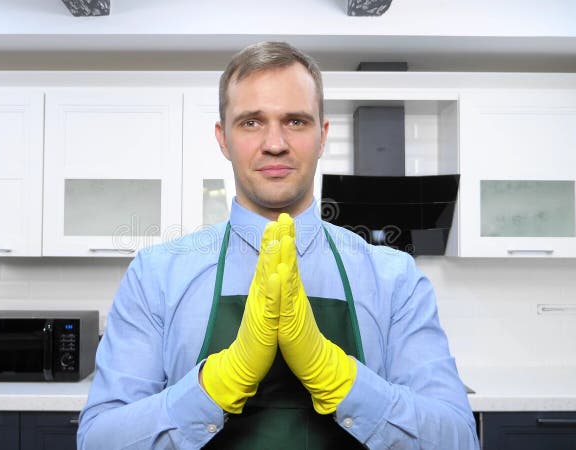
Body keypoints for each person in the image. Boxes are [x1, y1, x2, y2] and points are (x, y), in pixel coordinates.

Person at [78, 41, 478, 450]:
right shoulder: (157, 274)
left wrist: (338, 377)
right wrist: (215, 385)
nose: (274, 143)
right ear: (222, 138)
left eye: (296, 122)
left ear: (322, 136)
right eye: (251, 122)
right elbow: (97, 441)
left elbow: (460, 439)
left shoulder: (395, 279)